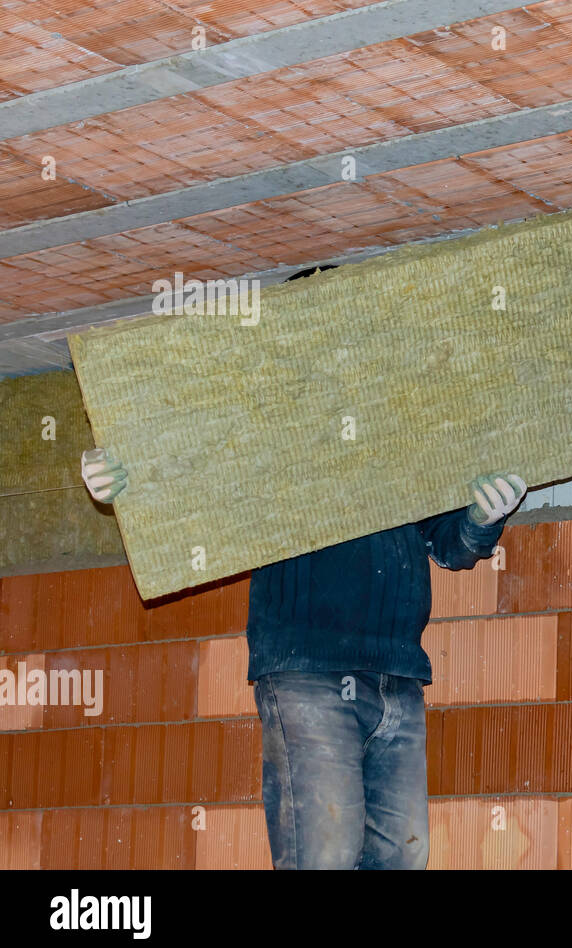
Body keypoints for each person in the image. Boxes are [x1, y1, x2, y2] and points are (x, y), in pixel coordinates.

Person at [80, 263, 527, 869]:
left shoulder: (399, 440)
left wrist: (482, 518)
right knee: (323, 857)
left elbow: (449, 543)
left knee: (401, 862)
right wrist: (124, 486)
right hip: (308, 674)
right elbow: (191, 493)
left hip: (397, 676)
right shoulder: (260, 440)